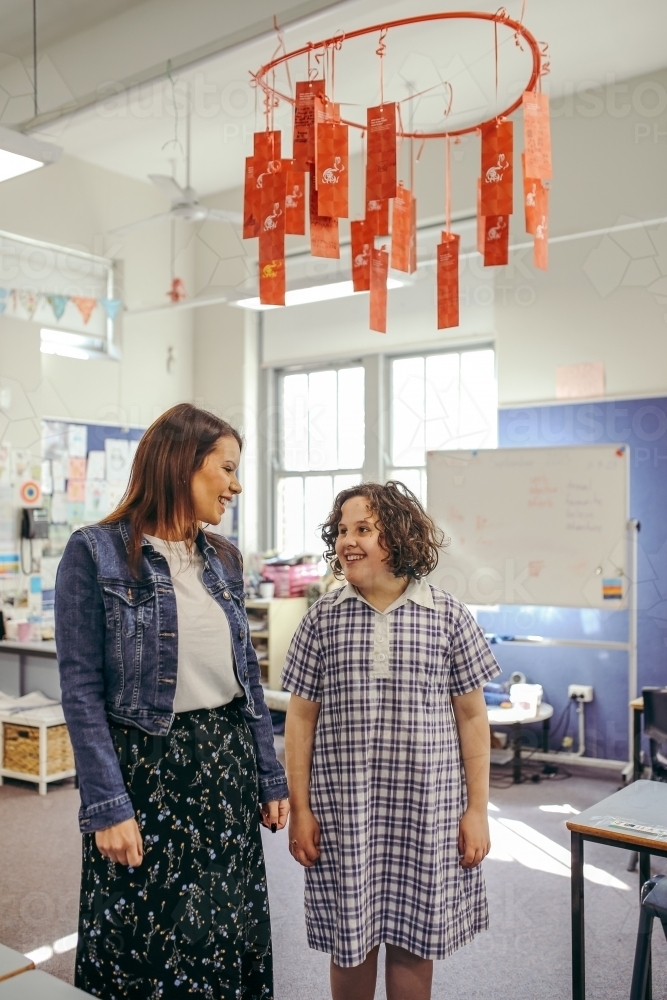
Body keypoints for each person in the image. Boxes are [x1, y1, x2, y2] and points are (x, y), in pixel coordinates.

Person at [56, 403, 289, 1000]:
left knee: (221, 930)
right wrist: (107, 805)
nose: (236, 485)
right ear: (182, 465)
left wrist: (269, 775)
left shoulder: (225, 559)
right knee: (146, 939)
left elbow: (247, 682)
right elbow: (81, 691)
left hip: (223, 768)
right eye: (227, 468)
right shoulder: (95, 552)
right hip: (146, 771)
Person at [282, 482, 500, 1000]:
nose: (347, 540)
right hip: (345, 814)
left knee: (413, 941)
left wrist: (477, 810)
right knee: (350, 942)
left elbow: (471, 718)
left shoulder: (447, 615)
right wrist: (300, 808)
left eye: (363, 528)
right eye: (340, 530)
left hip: (426, 814)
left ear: (399, 536)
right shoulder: (323, 618)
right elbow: (300, 720)